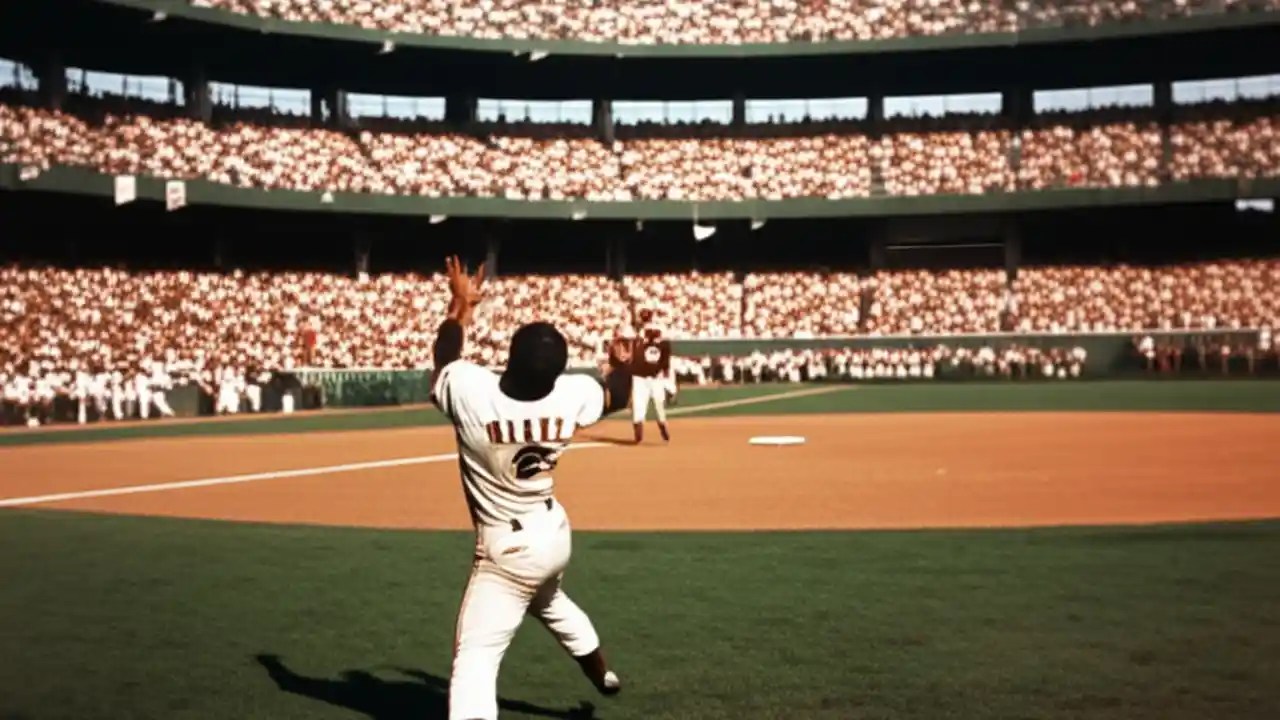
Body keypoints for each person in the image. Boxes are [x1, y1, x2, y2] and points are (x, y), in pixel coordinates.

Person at [428, 256, 629, 720]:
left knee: (475, 660)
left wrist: (461, 303)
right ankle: (602, 674)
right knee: (550, 601)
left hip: (507, 548)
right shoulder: (572, 393)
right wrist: (624, 364)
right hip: (553, 531)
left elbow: (445, 355)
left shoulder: (472, 390)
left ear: (508, 360)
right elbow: (617, 393)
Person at [628, 308, 674, 444]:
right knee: (652, 403)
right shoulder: (639, 334)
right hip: (647, 375)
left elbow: (663, 349)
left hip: (646, 375)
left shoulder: (641, 335)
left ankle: (647, 428)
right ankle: (651, 426)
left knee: (643, 404)